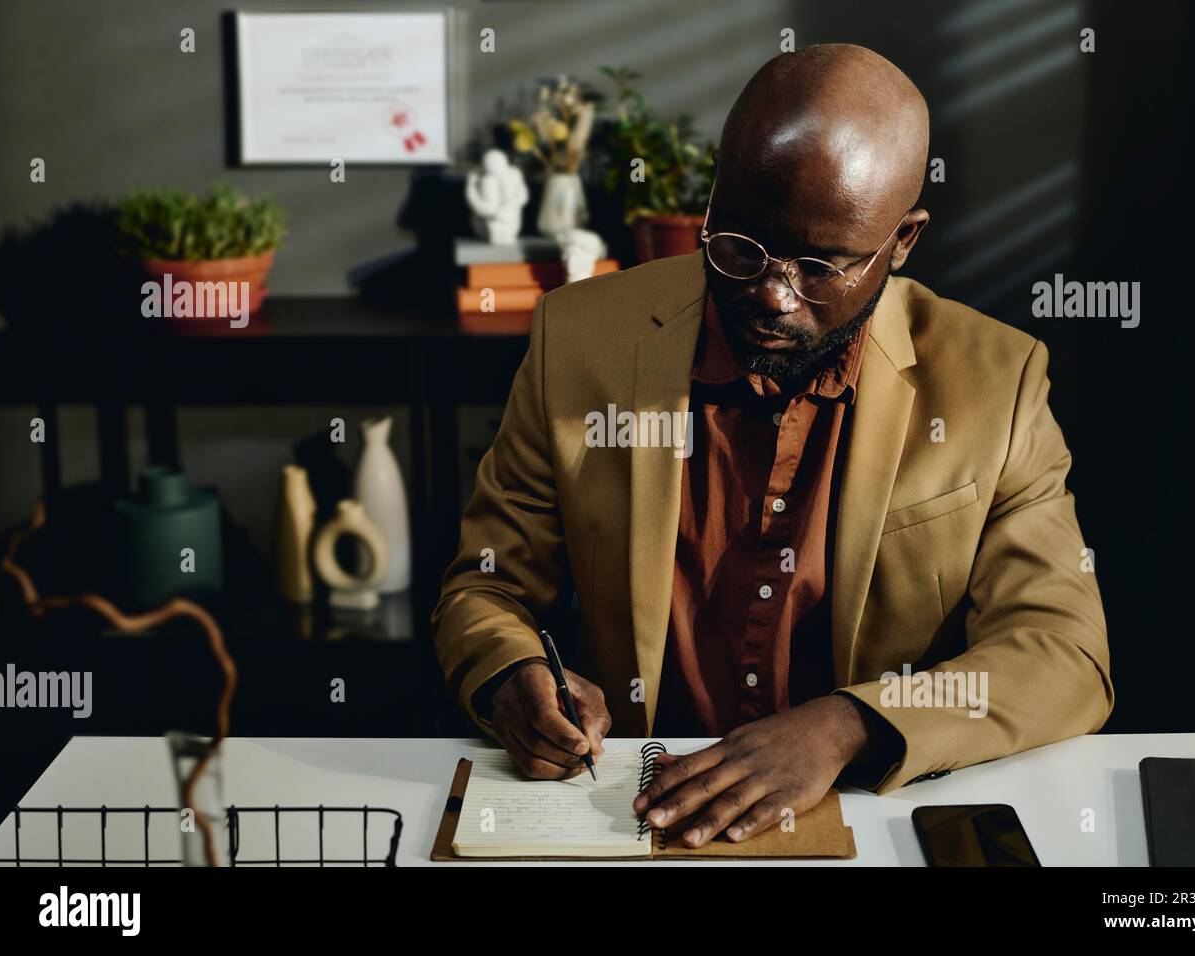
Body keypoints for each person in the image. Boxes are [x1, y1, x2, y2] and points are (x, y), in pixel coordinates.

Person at [432, 43, 1111, 849]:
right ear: (713, 201)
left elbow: (1064, 652)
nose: (771, 296)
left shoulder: (994, 381)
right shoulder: (580, 339)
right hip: (624, 816)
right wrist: (511, 673)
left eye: (821, 265)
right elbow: (485, 586)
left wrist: (849, 726)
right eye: (742, 247)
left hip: (870, 816)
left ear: (902, 243)